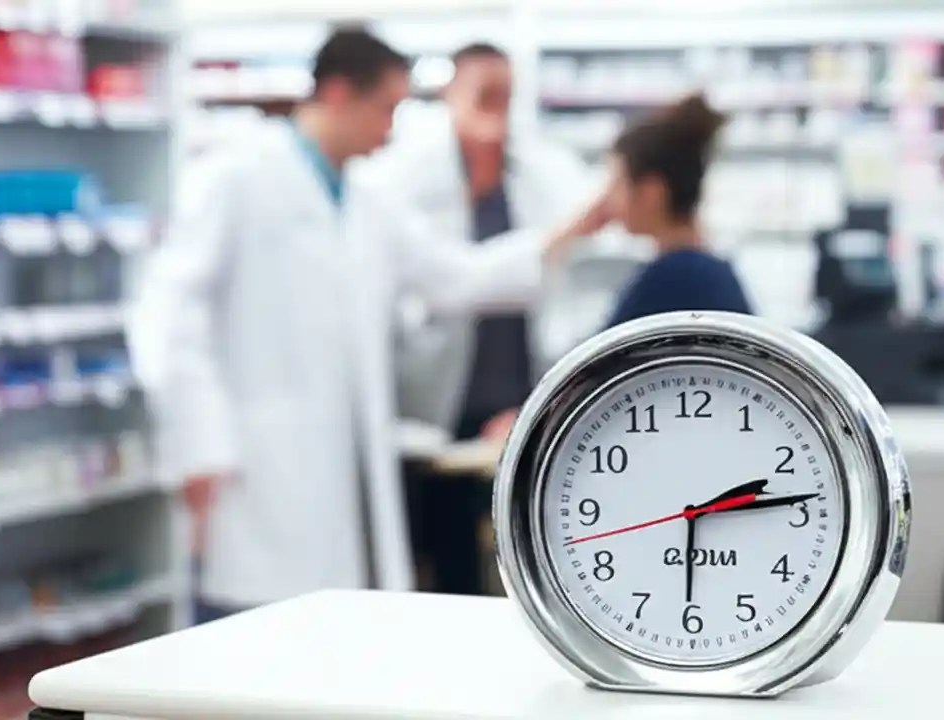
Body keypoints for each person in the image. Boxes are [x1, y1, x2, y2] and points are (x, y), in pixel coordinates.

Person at [129, 28, 606, 621]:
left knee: (326, 635)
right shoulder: (237, 177)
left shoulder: (368, 202)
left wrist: (572, 230)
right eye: (386, 108)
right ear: (336, 93)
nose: (392, 128)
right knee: (246, 641)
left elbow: (456, 279)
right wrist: (199, 446)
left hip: (340, 469)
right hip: (250, 465)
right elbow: (168, 312)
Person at [372, 42, 594, 442]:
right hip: (436, 403)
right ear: (449, 95)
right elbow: (457, 282)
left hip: (521, 401)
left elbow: (568, 267)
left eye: (505, 95)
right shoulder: (404, 179)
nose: (497, 109)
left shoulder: (539, 174)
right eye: (484, 94)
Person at [599, 94, 752, 328]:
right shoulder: (703, 269)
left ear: (652, 192)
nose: (607, 199)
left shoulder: (673, 276)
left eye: (616, 183)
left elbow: (602, 361)